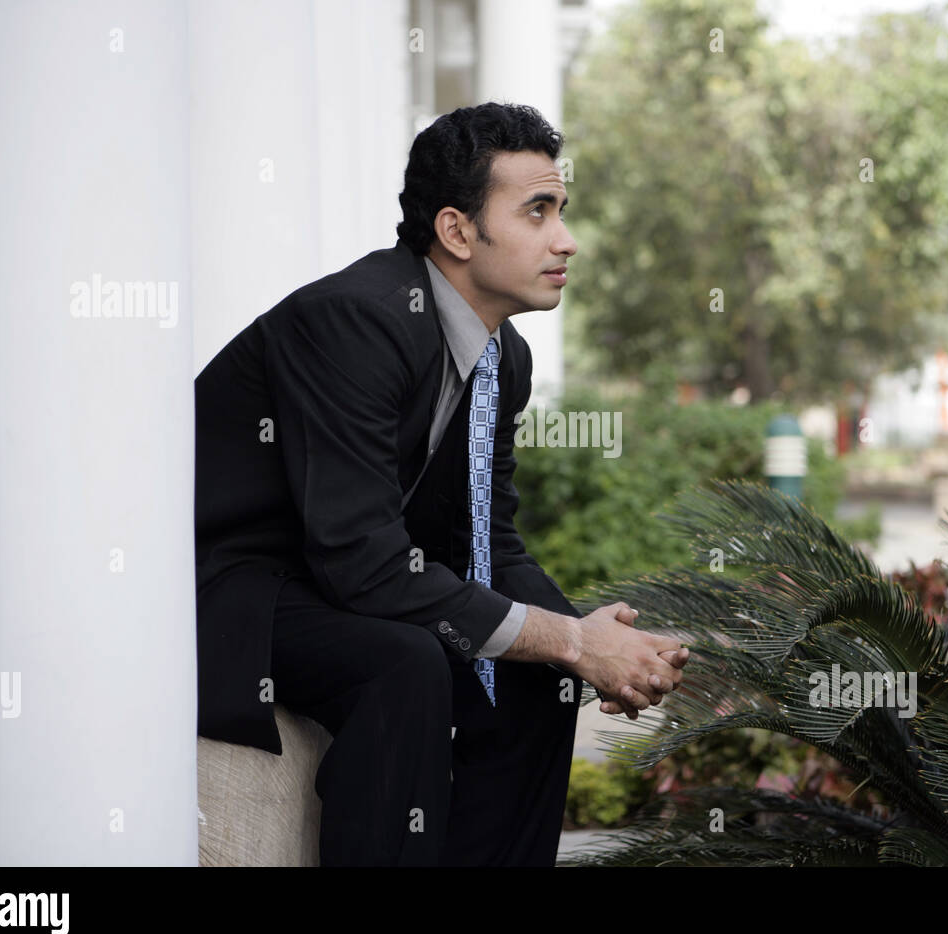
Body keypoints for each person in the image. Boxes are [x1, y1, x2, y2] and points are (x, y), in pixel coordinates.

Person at [194, 102, 689, 866]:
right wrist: (570, 641)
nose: (567, 239)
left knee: (541, 680)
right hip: (229, 588)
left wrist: (592, 646)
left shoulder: (502, 358)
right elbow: (365, 561)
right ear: (457, 231)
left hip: (322, 582)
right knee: (404, 661)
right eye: (537, 211)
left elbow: (487, 540)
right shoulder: (356, 321)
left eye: (561, 210)